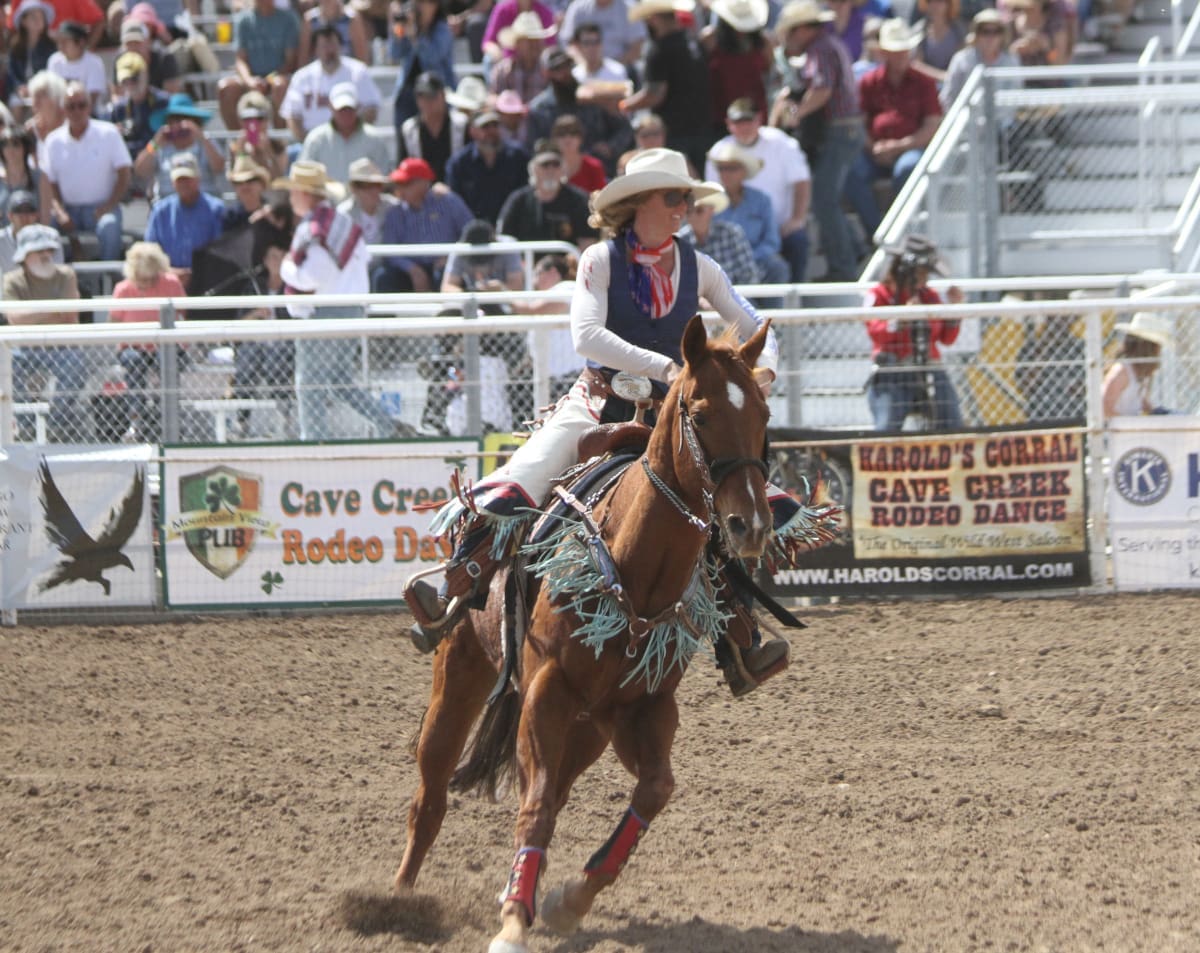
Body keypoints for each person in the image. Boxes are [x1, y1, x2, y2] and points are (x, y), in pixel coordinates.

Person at [405, 147, 809, 696]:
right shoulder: (600, 259)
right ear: (640, 203)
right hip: (598, 406)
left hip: (673, 421)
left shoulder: (700, 267)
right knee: (527, 474)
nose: (684, 206)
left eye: (687, 197)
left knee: (735, 497)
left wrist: (763, 372)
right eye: (674, 196)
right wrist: (664, 367)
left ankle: (740, 637)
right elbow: (587, 336)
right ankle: (455, 586)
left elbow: (758, 323)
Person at [276, 160, 398, 441]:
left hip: (324, 313)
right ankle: (387, 425)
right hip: (351, 308)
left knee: (309, 382)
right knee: (340, 379)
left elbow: (312, 277)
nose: (290, 197)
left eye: (293, 191)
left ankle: (314, 442)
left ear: (304, 193)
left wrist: (285, 267)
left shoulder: (316, 228)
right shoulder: (342, 223)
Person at [770, 0, 863, 281]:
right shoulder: (827, 45)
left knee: (823, 199)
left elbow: (822, 90)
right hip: (843, 131)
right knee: (826, 197)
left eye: (789, 32)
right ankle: (854, 249)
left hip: (839, 131)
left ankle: (843, 268)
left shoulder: (819, 49)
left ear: (801, 30)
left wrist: (796, 114)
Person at [845, 18, 942, 233]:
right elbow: (859, 122)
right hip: (876, 151)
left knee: (908, 168)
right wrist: (873, 147)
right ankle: (877, 232)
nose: (901, 56)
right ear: (884, 53)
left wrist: (898, 146)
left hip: (911, 149)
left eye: (904, 51)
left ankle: (899, 230)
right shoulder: (869, 82)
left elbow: (931, 126)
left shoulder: (924, 83)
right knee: (850, 171)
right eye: (895, 51)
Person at [864, 234, 965, 431]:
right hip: (892, 372)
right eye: (921, 272)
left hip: (930, 369)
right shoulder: (879, 294)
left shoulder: (929, 296)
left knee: (953, 423)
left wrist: (954, 310)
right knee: (886, 429)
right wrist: (900, 319)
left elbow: (946, 338)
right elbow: (875, 331)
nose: (925, 277)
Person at [707, 99, 811, 284]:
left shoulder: (780, 142)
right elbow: (711, 198)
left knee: (787, 254)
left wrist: (797, 219)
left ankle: (794, 298)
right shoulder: (718, 150)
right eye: (722, 168)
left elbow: (801, 181)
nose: (726, 174)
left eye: (748, 121)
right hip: (729, 241)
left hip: (779, 228)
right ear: (728, 124)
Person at [2, 224, 87, 441]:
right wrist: (55, 308)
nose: (46, 254)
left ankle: (55, 423)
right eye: (39, 250)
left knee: (77, 362)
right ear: (25, 255)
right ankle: (26, 426)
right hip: (24, 348)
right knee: (7, 364)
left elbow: (70, 314)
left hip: (61, 347)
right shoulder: (12, 280)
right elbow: (16, 319)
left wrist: (33, 313)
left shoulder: (66, 275)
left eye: (49, 249)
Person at [43, 81, 132, 261]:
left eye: (81, 105)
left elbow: (124, 174)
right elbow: (50, 183)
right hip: (69, 210)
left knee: (109, 226)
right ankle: (52, 276)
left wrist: (108, 206)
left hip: (103, 208)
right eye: (71, 106)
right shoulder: (53, 141)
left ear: (89, 107)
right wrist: (60, 212)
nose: (76, 111)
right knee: (47, 229)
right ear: (63, 109)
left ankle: (108, 275)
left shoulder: (108, 133)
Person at [620, 0, 712, 173]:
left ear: (654, 19)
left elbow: (655, 94)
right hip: (702, 127)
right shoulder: (692, 40)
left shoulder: (658, 49)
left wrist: (625, 105)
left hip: (674, 132)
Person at [109, 240, 186, 440]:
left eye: (152, 278)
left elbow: (183, 314)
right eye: (142, 278)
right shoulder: (123, 289)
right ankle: (136, 420)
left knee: (166, 359)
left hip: (166, 345)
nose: (147, 283)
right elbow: (114, 323)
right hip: (133, 347)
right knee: (134, 362)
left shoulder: (171, 283)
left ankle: (169, 418)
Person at [524, 45, 632, 174]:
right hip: (557, 173)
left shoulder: (594, 96)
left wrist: (610, 147)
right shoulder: (539, 110)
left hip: (598, 170)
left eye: (567, 66)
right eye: (557, 69)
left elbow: (624, 128)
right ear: (546, 73)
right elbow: (535, 147)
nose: (564, 72)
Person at [373, 157, 474, 293]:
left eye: (405, 183)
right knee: (383, 277)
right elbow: (389, 250)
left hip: (443, 265)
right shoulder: (395, 212)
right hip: (408, 269)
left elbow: (471, 232)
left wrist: (451, 258)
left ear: (424, 183)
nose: (399, 189)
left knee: (445, 276)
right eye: (398, 183)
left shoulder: (448, 201)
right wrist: (412, 269)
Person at [708, 142, 789, 305]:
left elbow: (772, 241)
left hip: (757, 260)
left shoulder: (762, 200)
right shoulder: (710, 202)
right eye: (721, 169)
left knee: (777, 266)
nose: (725, 173)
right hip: (723, 264)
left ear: (744, 172)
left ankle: (775, 317)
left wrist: (748, 258)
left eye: (732, 168)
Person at [232, 239, 295, 439]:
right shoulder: (254, 287)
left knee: (275, 360)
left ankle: (282, 418)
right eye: (272, 257)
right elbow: (238, 324)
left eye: (280, 257)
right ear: (265, 261)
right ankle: (242, 420)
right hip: (256, 341)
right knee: (248, 360)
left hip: (284, 341)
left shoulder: (293, 286)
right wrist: (256, 314)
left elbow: (299, 318)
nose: (276, 261)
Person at [280, 24, 380, 143]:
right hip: (312, 142)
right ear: (315, 50)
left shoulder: (358, 72)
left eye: (333, 44)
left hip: (352, 141)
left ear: (341, 46)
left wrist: (351, 137)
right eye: (324, 46)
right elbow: (292, 115)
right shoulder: (302, 77)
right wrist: (307, 142)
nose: (329, 50)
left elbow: (371, 110)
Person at [143, 152, 225, 287]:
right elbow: (150, 251)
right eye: (179, 179)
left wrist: (195, 273)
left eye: (188, 179)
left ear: (198, 179)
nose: (184, 184)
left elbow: (222, 251)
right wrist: (170, 272)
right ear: (172, 182)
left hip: (208, 283)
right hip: (167, 282)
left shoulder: (216, 209)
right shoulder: (160, 212)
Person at [217, 0, 300, 132]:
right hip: (250, 79)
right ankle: (240, 140)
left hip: (277, 78)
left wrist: (269, 80)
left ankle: (279, 140)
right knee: (226, 88)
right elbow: (240, 60)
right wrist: (249, 80)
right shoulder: (243, 20)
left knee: (280, 85)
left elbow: (290, 61)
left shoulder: (288, 19)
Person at [132, 91, 226, 202]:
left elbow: (219, 167)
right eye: (172, 121)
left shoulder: (206, 141)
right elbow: (140, 170)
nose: (177, 126)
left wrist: (201, 137)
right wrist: (155, 143)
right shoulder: (159, 145)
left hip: (203, 204)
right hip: (167, 205)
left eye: (182, 120)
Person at [497, 148, 598, 247]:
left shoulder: (578, 200)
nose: (551, 170)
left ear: (563, 169)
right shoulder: (518, 200)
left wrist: (568, 257)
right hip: (526, 257)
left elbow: (588, 241)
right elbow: (505, 238)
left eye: (556, 165)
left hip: (567, 257)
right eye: (545, 165)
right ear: (533, 169)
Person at [445, 110, 532, 224]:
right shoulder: (459, 163)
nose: (491, 131)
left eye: (495, 125)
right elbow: (455, 202)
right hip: (472, 227)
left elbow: (527, 193)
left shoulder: (518, 156)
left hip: (512, 226)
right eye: (485, 126)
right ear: (472, 131)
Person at [298, 81, 391, 185]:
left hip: (364, 195)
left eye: (349, 109)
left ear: (357, 107)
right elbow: (304, 177)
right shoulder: (316, 139)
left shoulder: (375, 139)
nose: (346, 113)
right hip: (325, 195)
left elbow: (384, 177)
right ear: (331, 107)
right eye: (341, 109)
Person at [701, 0, 771, 135]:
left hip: (754, 114)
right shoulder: (710, 40)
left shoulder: (763, 43)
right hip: (720, 115)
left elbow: (769, 73)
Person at [389, 0, 457, 127]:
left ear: (435, 6)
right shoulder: (409, 26)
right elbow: (395, 53)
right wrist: (398, 30)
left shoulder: (443, 30)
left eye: (424, 2)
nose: (419, 7)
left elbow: (432, 57)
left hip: (436, 93)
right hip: (408, 92)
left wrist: (416, 36)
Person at [396, 72, 471, 182]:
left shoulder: (461, 125)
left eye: (432, 95)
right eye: (421, 96)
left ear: (443, 95)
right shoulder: (409, 130)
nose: (427, 101)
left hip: (457, 187)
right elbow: (403, 168)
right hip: (421, 189)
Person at [677, 190, 759, 286]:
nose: (693, 216)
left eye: (699, 210)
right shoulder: (680, 241)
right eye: (689, 212)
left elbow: (750, 276)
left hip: (735, 293)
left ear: (711, 211)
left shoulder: (731, 234)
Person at [942, 10, 1017, 110]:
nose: (990, 37)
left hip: (1004, 119)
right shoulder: (961, 59)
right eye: (985, 32)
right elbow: (949, 95)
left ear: (1002, 35)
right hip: (966, 118)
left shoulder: (1011, 61)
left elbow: (1015, 97)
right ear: (976, 35)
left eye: (996, 31)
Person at [1102, 312, 1172, 418]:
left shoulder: (1136, 372)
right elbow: (1104, 408)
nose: (1159, 351)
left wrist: (1155, 412)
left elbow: (1137, 402)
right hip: (1117, 428)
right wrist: (1130, 423)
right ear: (1148, 347)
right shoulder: (1121, 371)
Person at [108, 51, 170, 160]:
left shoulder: (163, 103)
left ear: (145, 75)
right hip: (129, 163)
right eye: (125, 80)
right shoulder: (119, 109)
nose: (130, 84)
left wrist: (150, 150)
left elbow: (164, 141)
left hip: (160, 161)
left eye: (134, 79)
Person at [558, 0, 645, 72]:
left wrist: (611, 68)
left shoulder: (629, 7)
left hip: (622, 68)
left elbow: (637, 47)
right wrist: (585, 65)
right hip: (583, 69)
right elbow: (569, 43)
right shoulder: (578, 7)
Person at [7, 0, 59, 118]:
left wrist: (35, 88)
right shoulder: (16, 47)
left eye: (41, 17)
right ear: (24, 22)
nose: (38, 21)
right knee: (15, 104)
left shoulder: (50, 46)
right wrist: (19, 87)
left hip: (43, 90)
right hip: (21, 92)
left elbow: (50, 73)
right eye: (33, 17)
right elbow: (12, 73)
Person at [489, 11, 555, 102]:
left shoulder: (550, 70)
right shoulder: (503, 71)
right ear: (517, 44)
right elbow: (492, 98)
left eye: (537, 40)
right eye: (529, 40)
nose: (534, 44)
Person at [228, 90, 287, 182]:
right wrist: (241, 153)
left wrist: (267, 153)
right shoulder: (235, 147)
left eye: (259, 118)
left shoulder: (278, 146)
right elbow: (234, 182)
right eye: (247, 119)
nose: (253, 124)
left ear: (267, 120)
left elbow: (278, 181)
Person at [46, 20, 106, 112]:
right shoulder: (54, 61)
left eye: (65, 41)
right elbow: (52, 93)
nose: (61, 45)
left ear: (81, 42)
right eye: (59, 41)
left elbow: (92, 98)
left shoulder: (94, 63)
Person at [337, 157, 397, 245]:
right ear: (354, 189)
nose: (373, 191)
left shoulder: (392, 207)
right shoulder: (344, 213)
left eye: (377, 185)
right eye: (365, 186)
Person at [0, 130, 51, 229]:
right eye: (5, 145)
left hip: (34, 235)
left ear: (25, 148)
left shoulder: (40, 177)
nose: (10, 150)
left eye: (15, 144)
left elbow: (45, 218)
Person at [913, 0, 967, 83]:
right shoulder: (919, 30)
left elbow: (962, 61)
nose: (935, 5)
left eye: (940, 1)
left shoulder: (958, 31)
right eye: (930, 1)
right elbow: (916, 64)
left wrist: (949, 77)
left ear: (948, 4)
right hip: (926, 84)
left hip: (953, 83)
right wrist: (941, 76)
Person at [552, 113, 607, 192]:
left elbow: (601, 196)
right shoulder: (548, 166)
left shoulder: (594, 166)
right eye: (561, 133)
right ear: (554, 139)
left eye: (573, 133)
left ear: (581, 138)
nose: (568, 138)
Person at [222, 154, 272, 230]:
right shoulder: (230, 217)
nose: (245, 186)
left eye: (250, 180)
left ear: (262, 184)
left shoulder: (274, 213)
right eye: (238, 182)